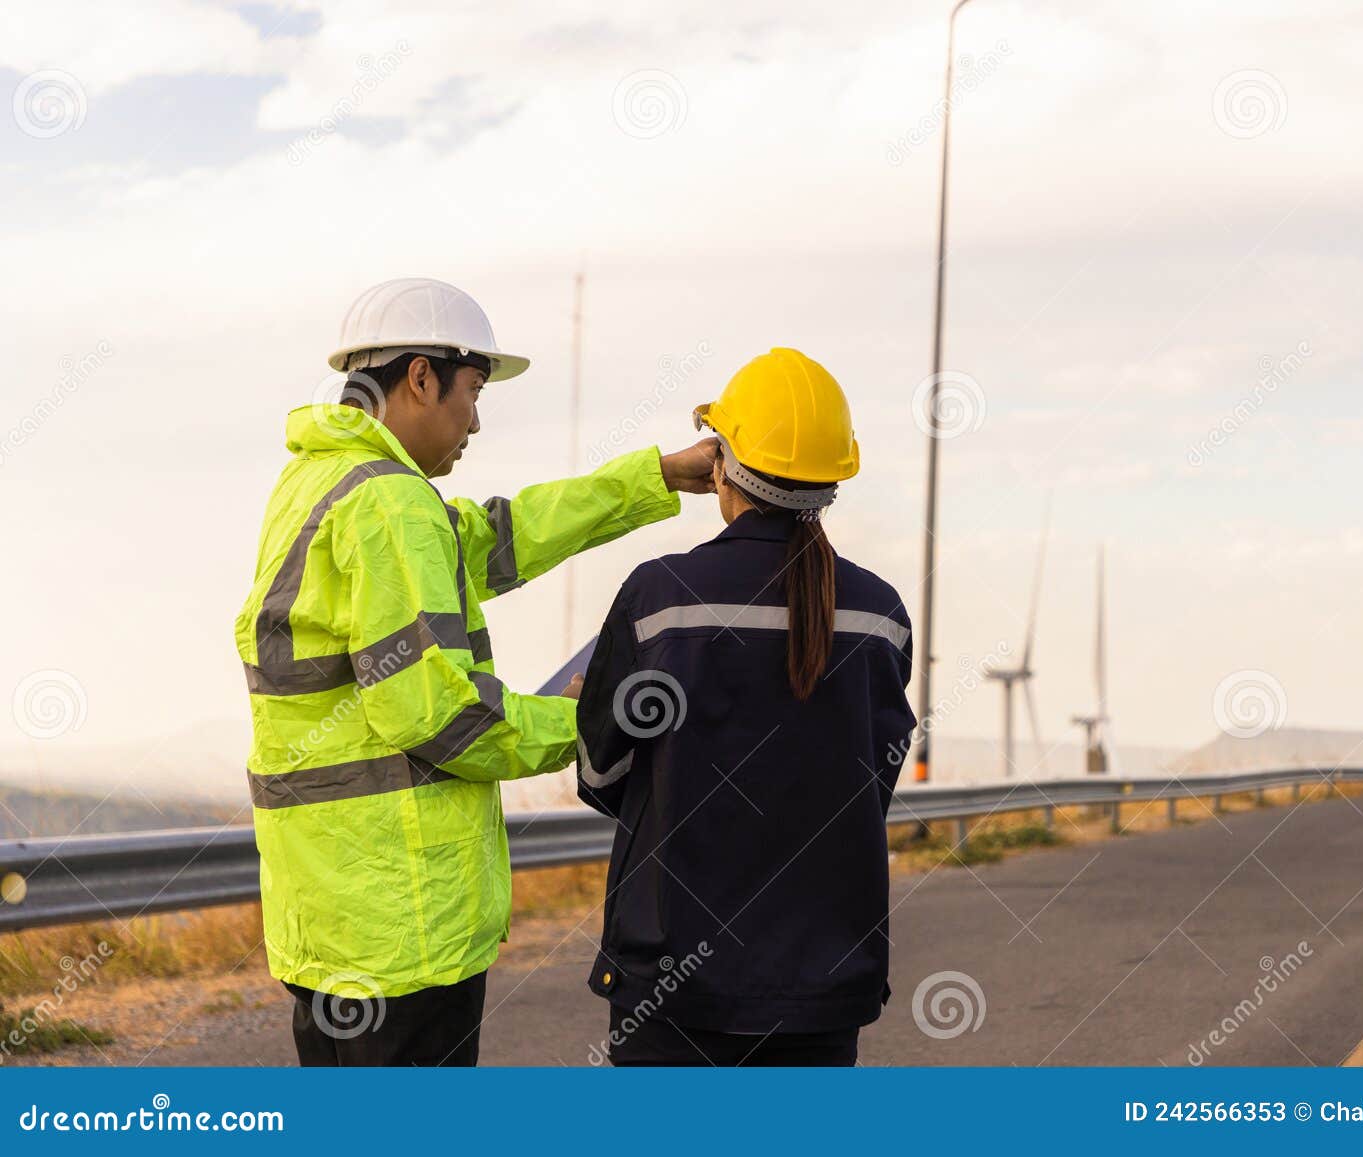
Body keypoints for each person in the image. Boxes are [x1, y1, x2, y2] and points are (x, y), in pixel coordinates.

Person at [234, 277, 715, 1066]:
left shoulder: (322, 482)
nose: (477, 419)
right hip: (402, 925)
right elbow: (438, 715)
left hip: (333, 911)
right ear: (420, 378)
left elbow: (500, 536)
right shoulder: (388, 502)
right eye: (473, 390)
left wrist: (654, 475)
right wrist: (592, 718)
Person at [576, 348, 917, 1066]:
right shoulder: (880, 614)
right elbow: (867, 787)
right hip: (821, 988)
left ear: (721, 465)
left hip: (673, 988)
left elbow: (601, 778)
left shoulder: (658, 596)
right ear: (833, 478)